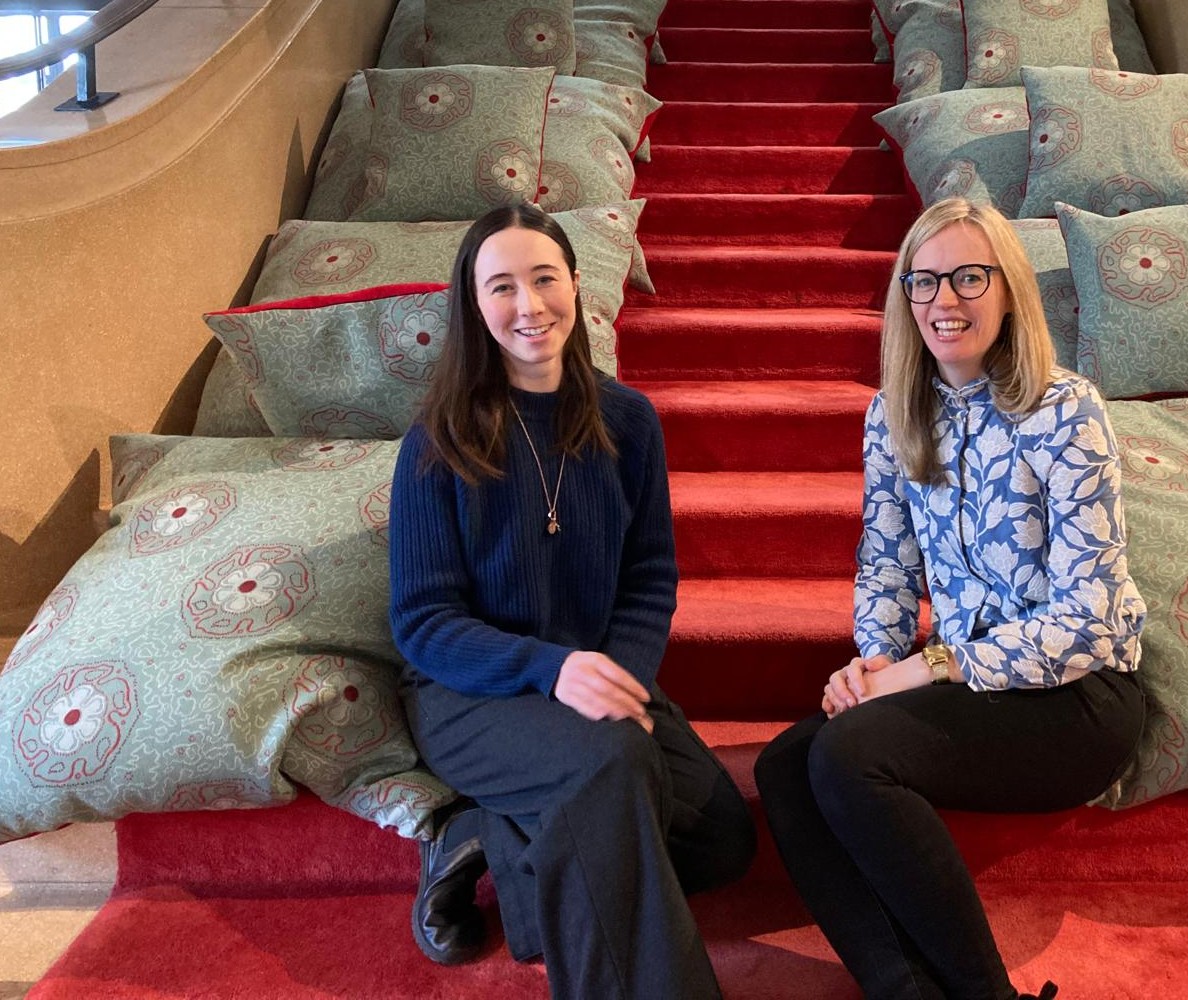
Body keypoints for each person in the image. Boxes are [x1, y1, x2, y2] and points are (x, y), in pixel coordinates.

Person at [754, 197, 1148, 1000]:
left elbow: (1086, 622)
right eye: (924, 281)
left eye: (970, 277)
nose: (945, 299)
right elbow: (887, 564)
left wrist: (926, 667)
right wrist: (872, 664)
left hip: (1078, 698)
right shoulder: (894, 414)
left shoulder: (1065, 411)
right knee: (784, 767)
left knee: (850, 757)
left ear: (1009, 290)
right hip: (973, 687)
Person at [388, 203, 756, 999]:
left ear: (577, 285)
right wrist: (550, 670)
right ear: (474, 304)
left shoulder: (629, 421)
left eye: (544, 279)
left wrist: (619, 677)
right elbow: (423, 622)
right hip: (471, 693)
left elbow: (650, 576)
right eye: (501, 287)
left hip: (594, 676)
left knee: (722, 839)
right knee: (612, 766)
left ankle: (484, 834)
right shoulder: (438, 441)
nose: (528, 305)